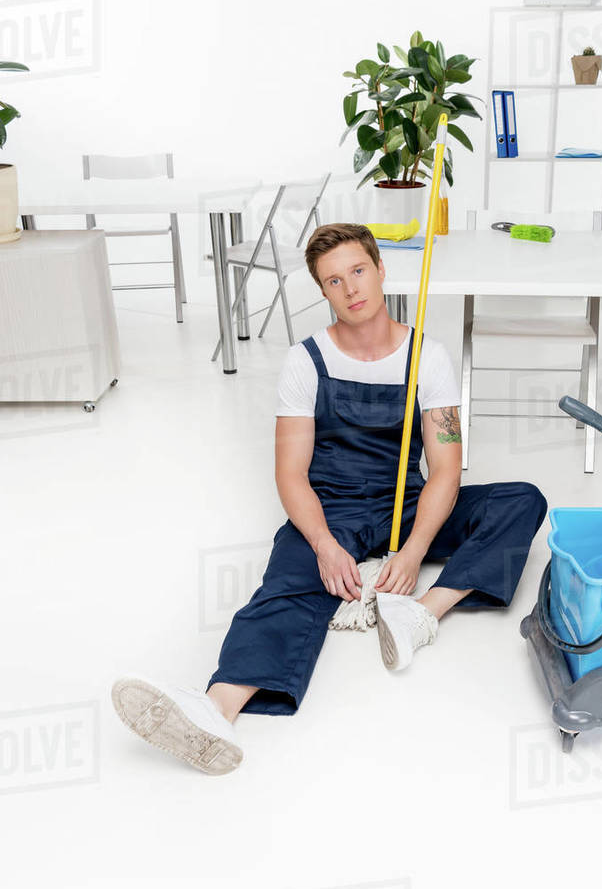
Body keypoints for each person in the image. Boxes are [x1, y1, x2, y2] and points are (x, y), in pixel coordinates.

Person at [111, 223, 547, 775]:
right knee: (286, 584)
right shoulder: (305, 361)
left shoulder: (427, 357)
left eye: (359, 270)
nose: (351, 288)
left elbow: (444, 471)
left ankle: (422, 615)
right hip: (331, 505)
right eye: (334, 280)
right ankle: (216, 709)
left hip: (406, 501)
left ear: (381, 269)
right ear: (323, 291)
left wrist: (412, 553)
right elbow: (291, 475)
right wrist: (322, 544)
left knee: (522, 499)